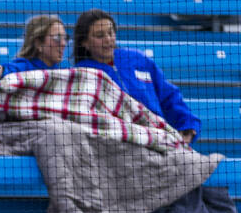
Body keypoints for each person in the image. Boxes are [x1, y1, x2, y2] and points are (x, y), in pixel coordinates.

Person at [73, 9, 200, 143]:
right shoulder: (82, 74)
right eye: (99, 36)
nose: (108, 39)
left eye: (110, 33)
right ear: (84, 42)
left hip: (158, 139)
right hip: (117, 144)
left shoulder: (138, 59)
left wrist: (187, 125)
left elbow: (168, 96)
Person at [2, 15, 69, 75]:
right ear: (38, 43)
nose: (63, 43)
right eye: (57, 38)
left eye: (65, 38)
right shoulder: (22, 69)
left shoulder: (62, 72)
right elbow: (3, 71)